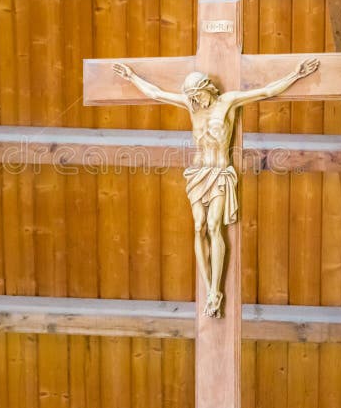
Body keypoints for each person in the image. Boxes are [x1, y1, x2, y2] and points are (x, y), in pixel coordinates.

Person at [112, 58, 320, 317]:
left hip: (220, 173)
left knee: (213, 226)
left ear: (207, 88)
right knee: (198, 226)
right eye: (192, 97)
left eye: (197, 95)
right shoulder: (191, 105)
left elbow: (267, 91)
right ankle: (208, 285)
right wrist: (131, 76)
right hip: (198, 174)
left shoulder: (228, 102)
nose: (195, 101)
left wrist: (295, 74)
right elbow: (156, 93)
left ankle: (215, 290)